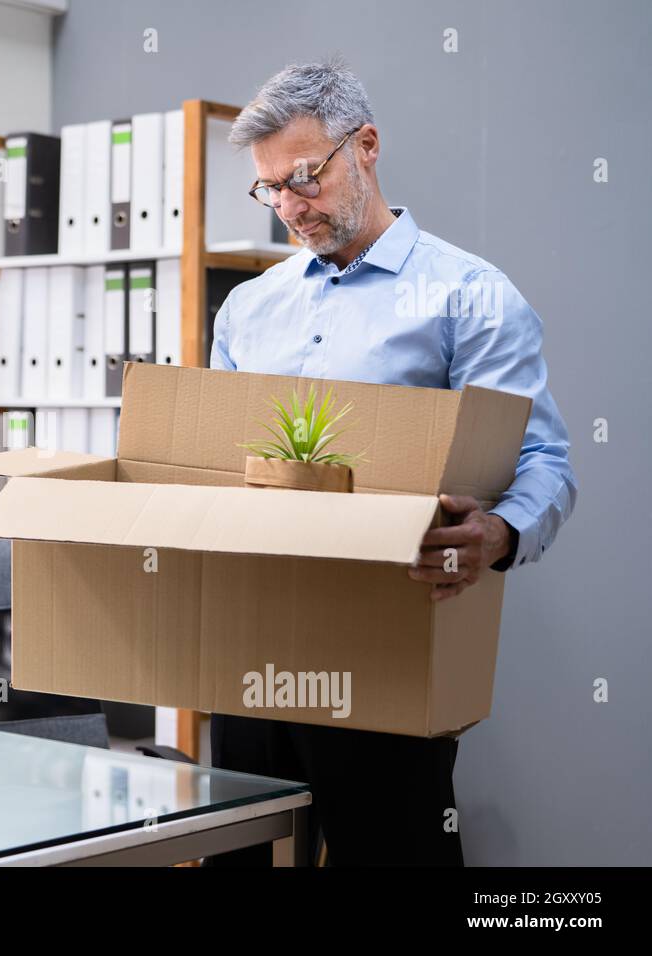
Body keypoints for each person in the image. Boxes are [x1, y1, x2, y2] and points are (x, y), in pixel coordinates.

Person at [207, 58, 577, 866]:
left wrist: (502, 532)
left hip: (390, 657)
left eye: (304, 176)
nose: (289, 207)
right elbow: (218, 461)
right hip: (250, 654)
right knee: (236, 856)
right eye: (269, 189)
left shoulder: (469, 296)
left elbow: (546, 458)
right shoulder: (248, 307)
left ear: (365, 146)